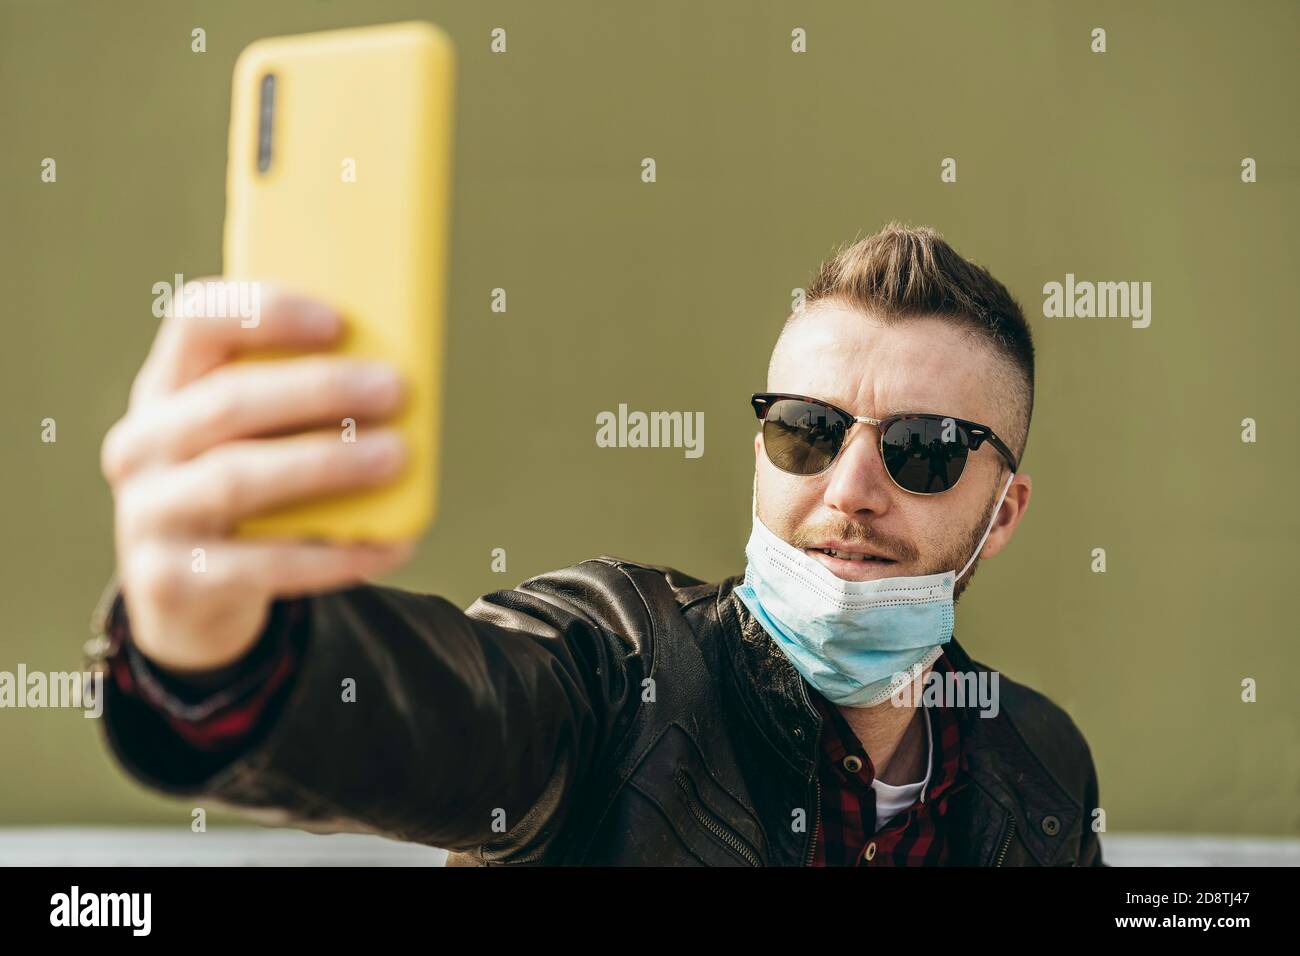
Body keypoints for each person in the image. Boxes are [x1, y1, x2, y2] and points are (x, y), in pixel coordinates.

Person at [90, 222, 1103, 866]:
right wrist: (226, 648)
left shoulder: (1041, 758)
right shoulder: (616, 663)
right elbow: (460, 711)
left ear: (1002, 511)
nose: (849, 488)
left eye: (922, 451)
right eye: (807, 427)